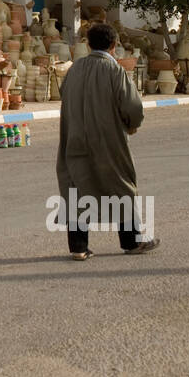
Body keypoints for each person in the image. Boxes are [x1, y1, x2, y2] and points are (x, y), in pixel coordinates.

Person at [56, 22, 159, 260]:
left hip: (75, 138)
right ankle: (131, 241)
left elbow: (64, 94)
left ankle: (79, 247)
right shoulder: (115, 71)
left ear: (89, 44)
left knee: (76, 188)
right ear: (114, 45)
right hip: (107, 140)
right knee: (122, 186)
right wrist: (131, 125)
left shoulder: (74, 69)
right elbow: (133, 107)